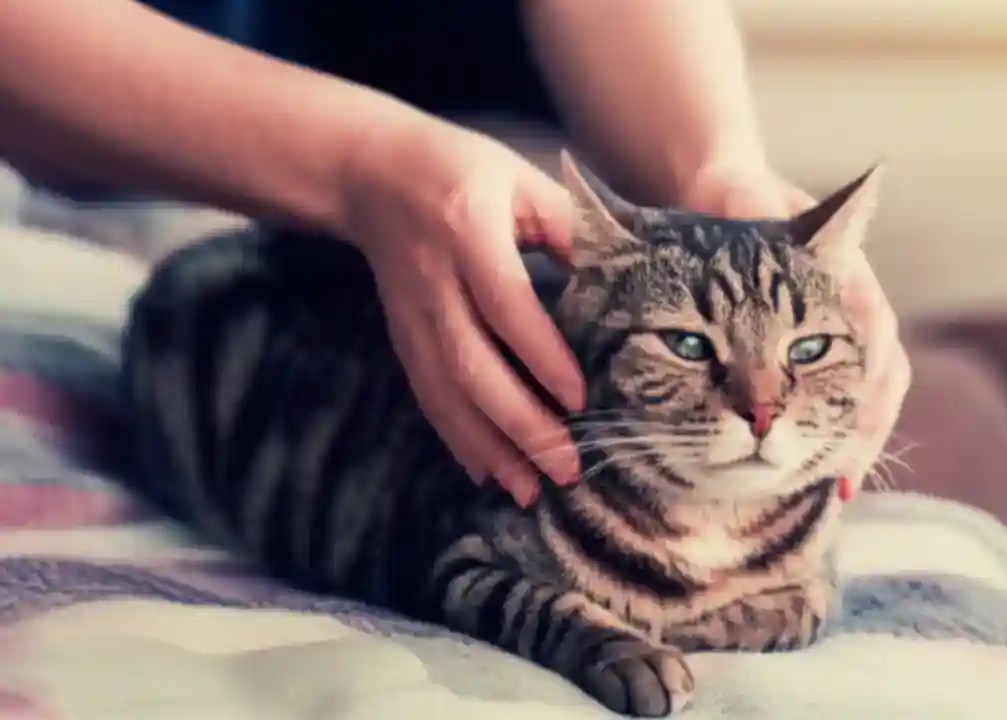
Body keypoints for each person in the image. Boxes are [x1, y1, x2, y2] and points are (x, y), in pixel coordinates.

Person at [0, 0, 910, 508]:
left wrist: (716, 166)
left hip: (461, 141)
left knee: (970, 404)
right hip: (92, 192)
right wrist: (359, 164)